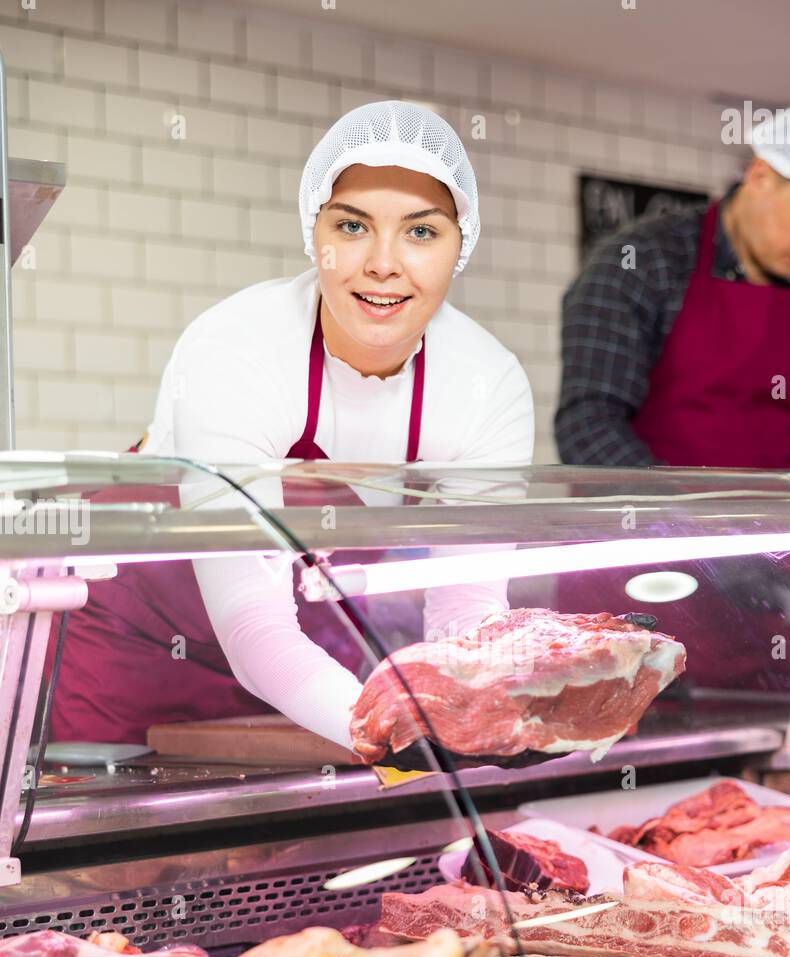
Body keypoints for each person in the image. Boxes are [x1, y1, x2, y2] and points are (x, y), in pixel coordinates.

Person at [50, 102, 534, 751]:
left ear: (461, 245)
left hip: (306, 659)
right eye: (352, 225)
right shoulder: (237, 348)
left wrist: (474, 716)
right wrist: (391, 733)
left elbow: (464, 613)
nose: (383, 263)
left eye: (421, 231)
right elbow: (253, 623)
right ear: (314, 233)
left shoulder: (486, 384)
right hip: (135, 652)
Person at [553, 105, 790, 688]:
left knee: (760, 735)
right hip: (627, 587)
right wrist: (698, 535)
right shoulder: (640, 263)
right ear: (760, 176)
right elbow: (589, 426)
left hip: (758, 587)